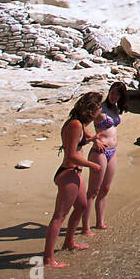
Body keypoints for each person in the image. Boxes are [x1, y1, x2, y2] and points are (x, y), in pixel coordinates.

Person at [42, 92, 104, 269]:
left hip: (75, 172)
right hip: (68, 171)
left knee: (82, 205)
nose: (101, 110)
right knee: (59, 216)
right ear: (91, 109)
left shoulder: (80, 124)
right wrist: (93, 165)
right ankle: (48, 259)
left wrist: (94, 139)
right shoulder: (75, 124)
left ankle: (68, 241)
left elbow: (85, 137)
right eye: (99, 107)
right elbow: (71, 155)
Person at [82, 81, 126, 234]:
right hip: (99, 152)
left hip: (112, 152)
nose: (114, 96)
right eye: (113, 92)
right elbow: (81, 124)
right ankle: (86, 227)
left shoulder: (116, 108)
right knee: (93, 191)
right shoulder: (100, 108)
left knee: (105, 189)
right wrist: (95, 139)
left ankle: (100, 222)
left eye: (118, 94)